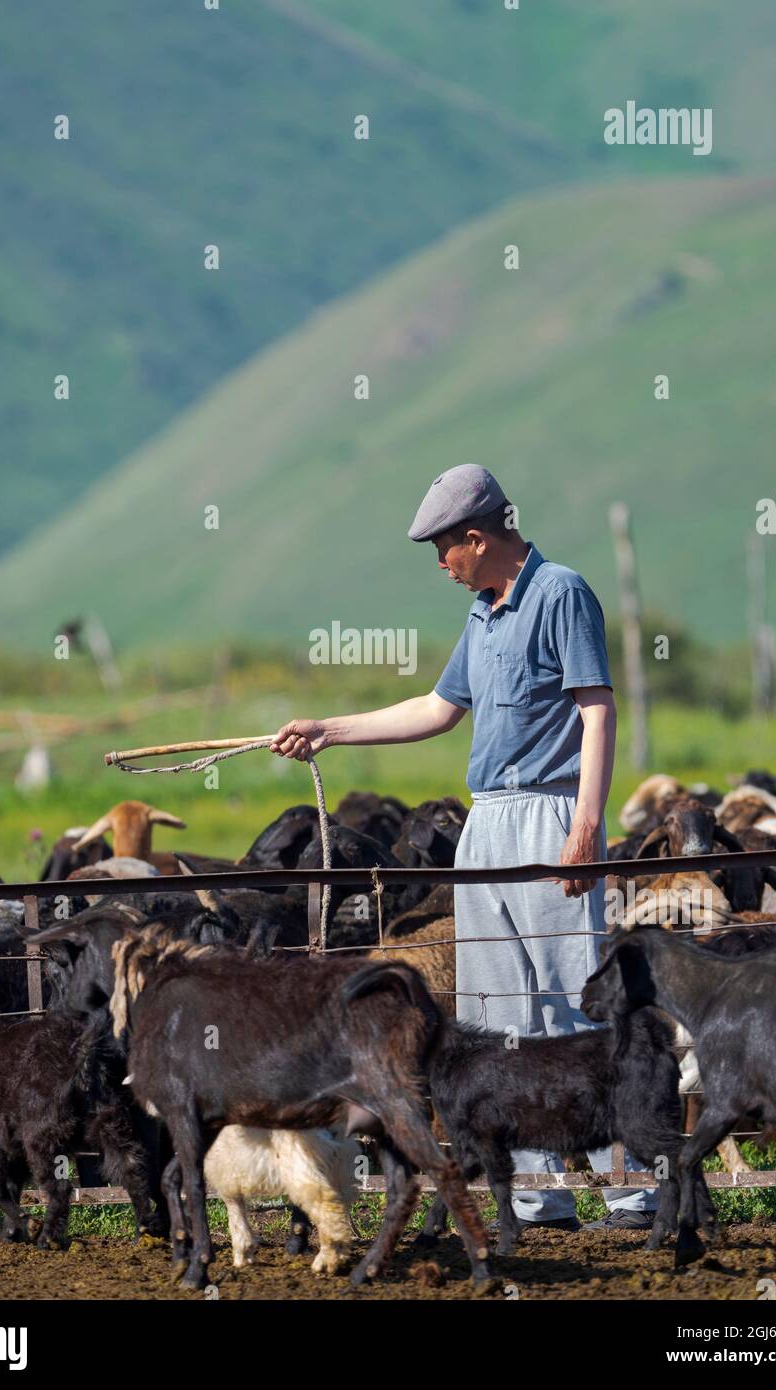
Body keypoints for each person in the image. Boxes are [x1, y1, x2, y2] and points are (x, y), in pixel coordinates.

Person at [270, 464, 654, 1232]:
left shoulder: (560, 593)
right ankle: (538, 1192)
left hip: (549, 811)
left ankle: (630, 1185)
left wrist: (585, 826)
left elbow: (596, 711)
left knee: (575, 993)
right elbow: (439, 708)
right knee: (499, 1007)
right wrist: (329, 729)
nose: (440, 563)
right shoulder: (482, 613)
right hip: (487, 821)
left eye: (443, 548)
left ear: (476, 538)